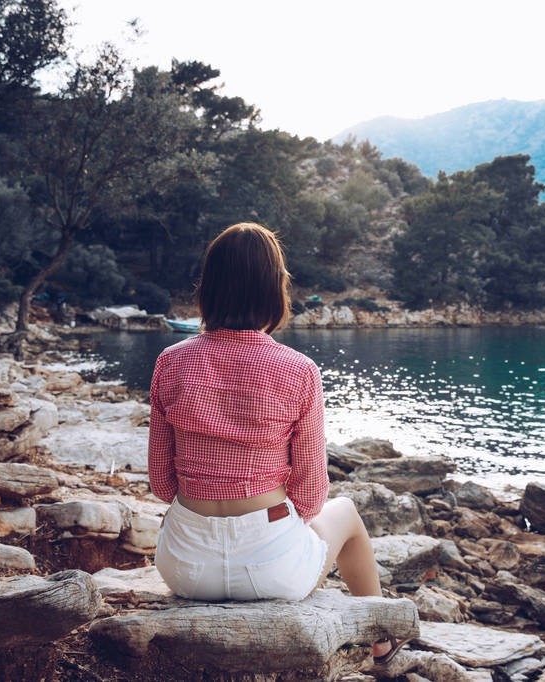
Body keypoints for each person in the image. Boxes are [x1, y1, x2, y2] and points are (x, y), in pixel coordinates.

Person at [148, 222, 406, 665]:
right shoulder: (298, 370)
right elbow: (311, 494)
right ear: (275, 289)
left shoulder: (171, 362)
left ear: (208, 288)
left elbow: (161, 483)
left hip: (186, 568)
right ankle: (381, 642)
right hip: (271, 571)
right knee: (345, 511)